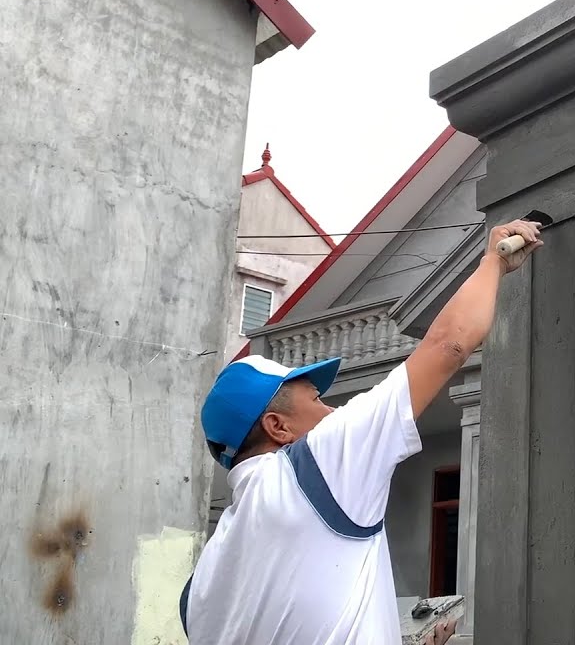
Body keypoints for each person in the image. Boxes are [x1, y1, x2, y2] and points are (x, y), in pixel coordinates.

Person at [181, 219, 544, 645]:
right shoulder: (315, 465)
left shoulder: (202, 585)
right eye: (314, 400)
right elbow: (448, 344)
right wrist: (492, 262)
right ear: (277, 427)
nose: (330, 408)